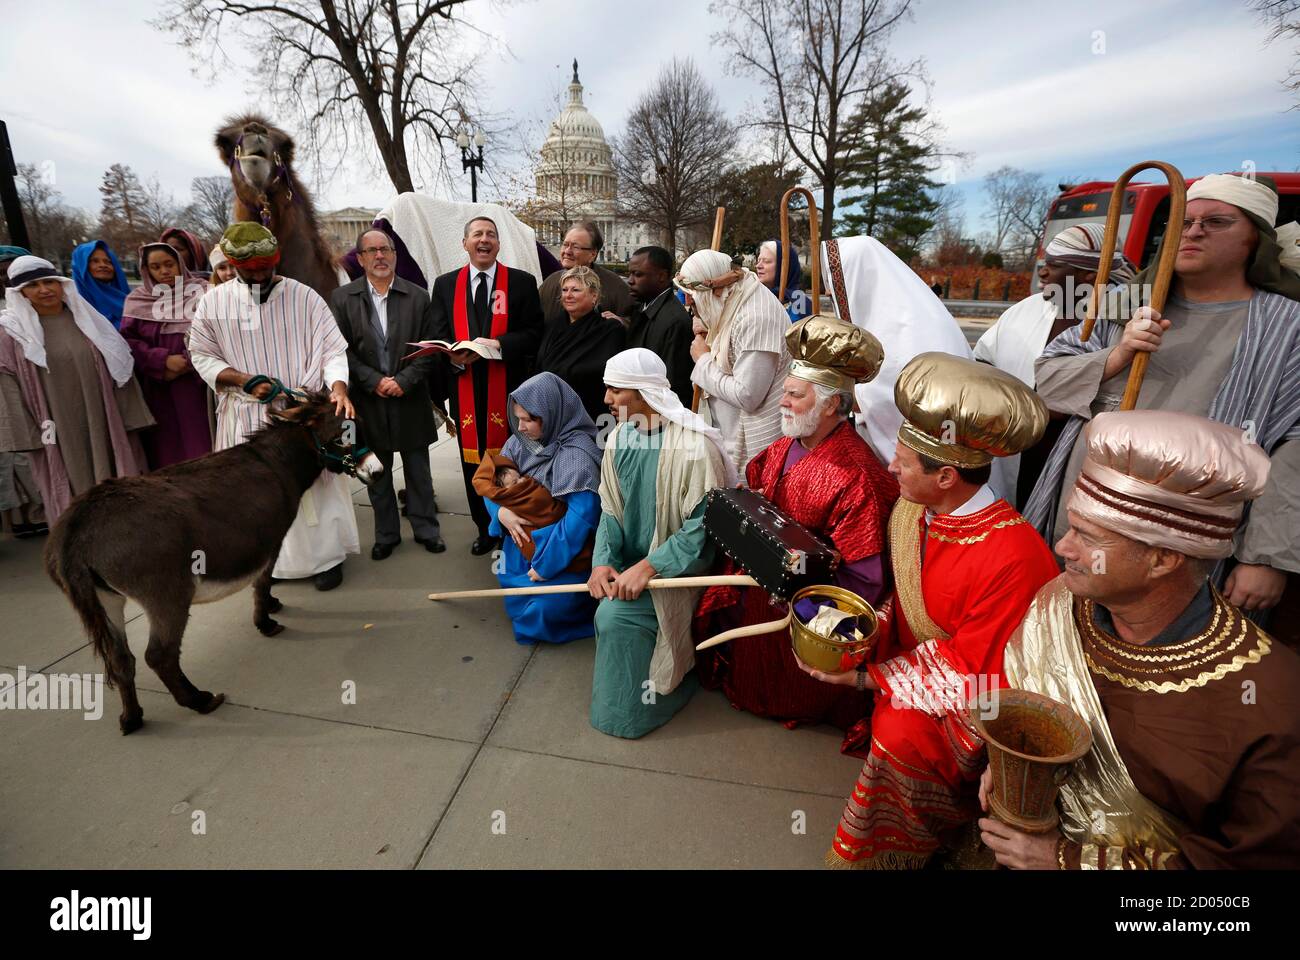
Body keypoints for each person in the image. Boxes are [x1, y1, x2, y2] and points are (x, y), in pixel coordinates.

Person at [985, 411, 1300, 870]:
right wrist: (1006, 764)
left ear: (1163, 559)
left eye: (1086, 537)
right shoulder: (1061, 603)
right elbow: (1022, 699)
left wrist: (1064, 861)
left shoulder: (1271, 700)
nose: (1063, 547)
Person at [800, 352, 1059, 869]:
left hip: (981, 699)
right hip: (924, 670)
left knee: (899, 735)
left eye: (903, 461)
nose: (890, 466)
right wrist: (863, 633)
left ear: (946, 478)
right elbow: (910, 599)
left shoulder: (1013, 555)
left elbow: (983, 674)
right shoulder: (913, 509)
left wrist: (866, 681)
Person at [1024, 173, 1300, 624]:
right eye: (1185, 222)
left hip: (1191, 537)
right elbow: (1048, 385)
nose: (1192, 232)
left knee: (1171, 665)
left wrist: (1265, 556)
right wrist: (1117, 356)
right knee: (1067, 646)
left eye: (1216, 222)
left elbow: (1295, 446)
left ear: (1256, 238)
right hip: (1087, 518)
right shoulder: (1123, 306)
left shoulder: (1286, 325)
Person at [694, 315, 899, 743]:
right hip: (761, 584)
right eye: (785, 392)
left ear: (830, 405)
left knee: (790, 683)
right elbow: (756, 490)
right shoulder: (790, 440)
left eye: (793, 394)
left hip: (805, 606)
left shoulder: (857, 476)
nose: (782, 403)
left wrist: (804, 592)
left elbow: (865, 576)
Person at [188, 223, 358, 591]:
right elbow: (201, 354)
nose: (259, 275)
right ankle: (268, 565)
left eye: (265, 268)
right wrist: (240, 378)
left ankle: (325, 559)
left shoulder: (305, 297)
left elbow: (332, 349)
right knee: (255, 494)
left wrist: (339, 389)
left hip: (301, 416)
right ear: (233, 265)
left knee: (314, 487)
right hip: (247, 413)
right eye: (249, 270)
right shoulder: (213, 302)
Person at [588, 348, 733, 739]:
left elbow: (702, 532)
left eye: (614, 391)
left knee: (612, 619)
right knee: (610, 614)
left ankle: (651, 702)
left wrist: (650, 566)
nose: (606, 400)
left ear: (641, 393)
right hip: (632, 570)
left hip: (677, 575)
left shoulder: (694, 448)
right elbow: (611, 509)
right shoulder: (619, 437)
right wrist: (603, 561)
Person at [975, 223, 1137, 506]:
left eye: (1056, 264)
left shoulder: (1122, 318)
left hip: (1075, 449)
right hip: (1014, 447)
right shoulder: (1026, 309)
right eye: (1044, 263)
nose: (1043, 272)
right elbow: (982, 362)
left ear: (1089, 274)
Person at [0, 255, 153, 524]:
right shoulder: (11, 333)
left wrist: (128, 416)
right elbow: (8, 386)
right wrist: (29, 434)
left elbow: (120, 367)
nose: (44, 289)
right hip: (51, 425)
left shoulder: (90, 322)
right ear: (20, 293)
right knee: (66, 478)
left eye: (50, 282)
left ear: (62, 285)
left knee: (114, 474)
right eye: (33, 285)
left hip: (102, 412)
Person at [428, 216, 545, 555]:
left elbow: (535, 333)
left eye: (491, 235)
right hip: (464, 387)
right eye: (477, 234)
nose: (484, 240)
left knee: (511, 461)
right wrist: (452, 355)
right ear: (464, 243)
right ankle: (485, 528)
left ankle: (514, 524)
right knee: (472, 463)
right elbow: (439, 332)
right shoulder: (446, 284)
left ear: (498, 243)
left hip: (508, 392)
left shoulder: (521, 283)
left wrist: (498, 344)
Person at [330, 228, 443, 558]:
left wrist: (403, 380)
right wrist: (372, 380)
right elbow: (339, 350)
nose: (380, 256)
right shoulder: (343, 299)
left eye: (386, 249)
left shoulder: (419, 296)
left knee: (418, 471)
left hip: (410, 398)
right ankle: (386, 535)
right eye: (372, 251)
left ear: (394, 255)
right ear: (361, 259)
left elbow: (431, 348)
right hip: (368, 401)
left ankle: (426, 529)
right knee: (376, 473)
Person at [473, 372, 603, 645]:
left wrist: (546, 565)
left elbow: (582, 518)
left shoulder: (577, 456)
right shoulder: (520, 442)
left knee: (542, 612)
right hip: (523, 549)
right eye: (517, 417)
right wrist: (500, 512)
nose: (520, 427)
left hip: (566, 557)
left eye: (529, 419)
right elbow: (490, 483)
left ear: (553, 413)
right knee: (519, 604)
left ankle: (588, 610)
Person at [820, 235, 972, 467]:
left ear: (859, 280)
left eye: (835, 283)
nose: (830, 294)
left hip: (934, 460)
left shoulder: (911, 324)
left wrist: (845, 395)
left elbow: (902, 397)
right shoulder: (893, 313)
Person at [676, 248, 790, 475]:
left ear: (716, 289)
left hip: (755, 449)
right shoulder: (735, 297)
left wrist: (703, 360)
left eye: (691, 293)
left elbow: (748, 395)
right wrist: (710, 327)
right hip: (732, 438)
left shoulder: (756, 318)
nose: (687, 300)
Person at [118, 242, 212, 469]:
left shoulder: (204, 292)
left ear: (180, 264)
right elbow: (128, 342)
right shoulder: (138, 300)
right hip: (160, 388)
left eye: (169, 264)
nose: (164, 271)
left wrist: (188, 360)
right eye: (156, 267)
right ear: (147, 270)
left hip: (197, 385)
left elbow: (216, 333)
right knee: (167, 449)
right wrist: (162, 361)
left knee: (202, 443)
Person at [534, 266, 626, 422]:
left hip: (588, 411)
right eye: (564, 290)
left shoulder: (609, 329)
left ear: (594, 296)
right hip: (549, 409)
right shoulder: (552, 325)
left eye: (575, 290)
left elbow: (602, 371)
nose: (568, 295)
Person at [625, 246, 694, 407]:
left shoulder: (674, 321)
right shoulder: (641, 308)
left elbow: (674, 384)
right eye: (630, 273)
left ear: (662, 276)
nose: (630, 280)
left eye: (638, 274)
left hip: (656, 417)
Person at [538, 220, 633, 324]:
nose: (567, 251)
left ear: (592, 254)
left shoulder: (615, 285)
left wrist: (622, 322)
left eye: (576, 247)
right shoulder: (549, 282)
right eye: (565, 245)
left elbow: (635, 324)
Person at [71, 240, 130, 330]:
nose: (103, 265)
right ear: (81, 266)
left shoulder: (132, 299)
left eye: (108, 262)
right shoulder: (73, 306)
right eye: (95, 261)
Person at [755, 239, 809, 323]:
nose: (758, 266)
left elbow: (795, 333)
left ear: (783, 266)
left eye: (767, 261)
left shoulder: (799, 300)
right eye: (758, 261)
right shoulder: (756, 295)